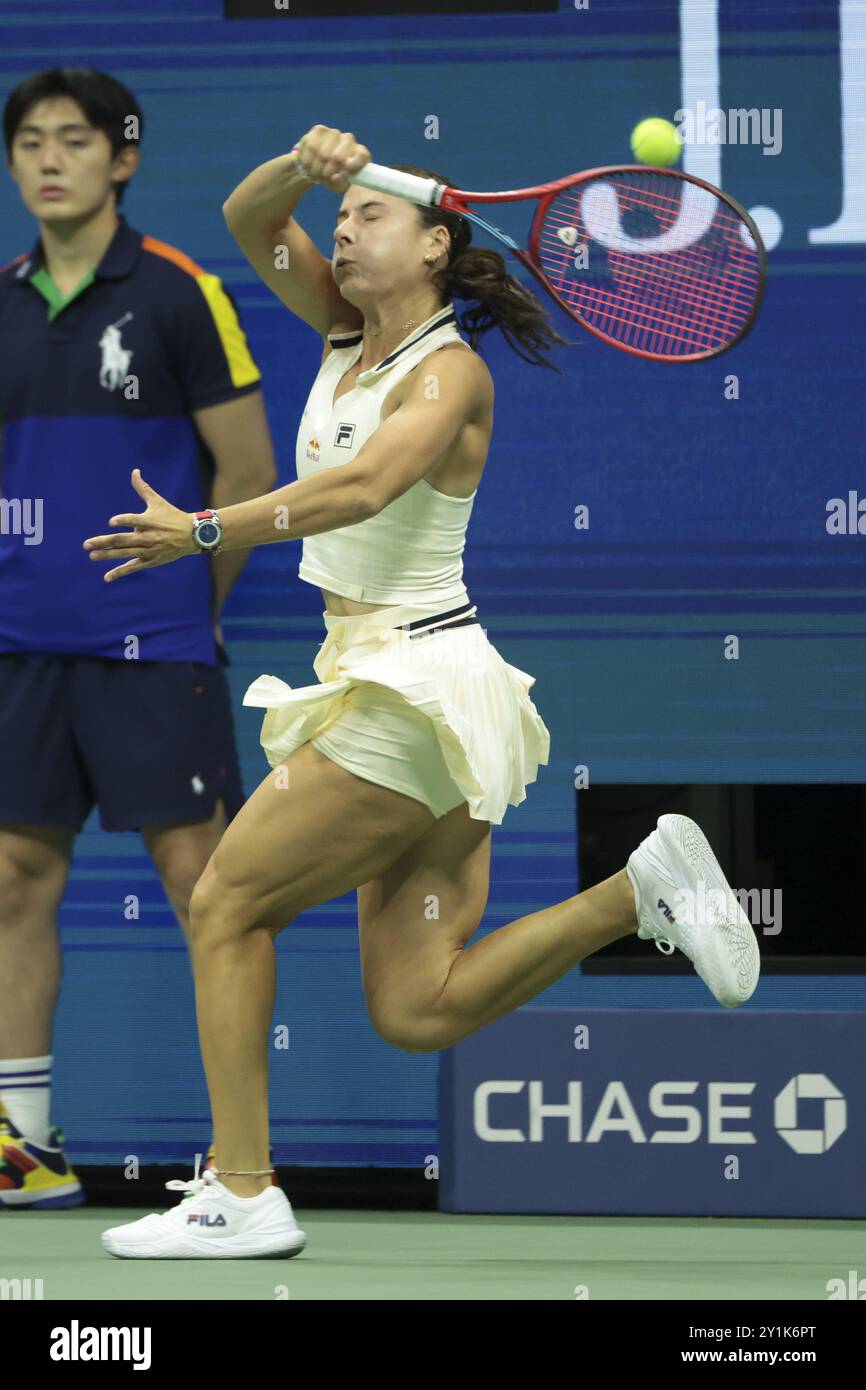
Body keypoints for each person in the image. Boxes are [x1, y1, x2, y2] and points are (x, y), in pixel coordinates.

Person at [94, 126, 760, 1259]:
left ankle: (241, 1191)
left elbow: (360, 485)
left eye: (368, 218)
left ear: (436, 246)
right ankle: (631, 889)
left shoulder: (450, 372)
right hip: (420, 693)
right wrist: (305, 171)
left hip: (411, 695)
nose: (342, 233)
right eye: (342, 220)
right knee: (418, 1007)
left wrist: (206, 527)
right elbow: (248, 222)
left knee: (224, 903)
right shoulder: (343, 332)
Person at [0, 68, 277, 1209]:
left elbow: (250, 475)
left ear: (123, 160)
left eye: (74, 141)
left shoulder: (179, 293)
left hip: (152, 647)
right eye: (28, 143)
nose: (48, 160)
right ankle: (22, 1150)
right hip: (22, 644)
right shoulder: (1, 299)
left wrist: (180, 611)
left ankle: (237, 1166)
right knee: (14, 877)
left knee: (204, 884)